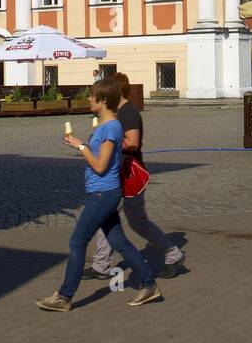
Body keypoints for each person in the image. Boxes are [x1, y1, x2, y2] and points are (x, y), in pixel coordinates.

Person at [36, 77, 162, 312]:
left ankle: (64, 296)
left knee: (77, 241)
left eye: (92, 95)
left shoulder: (111, 127)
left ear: (103, 100)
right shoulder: (106, 126)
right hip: (103, 192)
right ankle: (149, 284)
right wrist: (83, 144)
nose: (89, 99)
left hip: (103, 194)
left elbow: (101, 166)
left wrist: (80, 146)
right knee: (119, 241)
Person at [84, 72, 185, 281]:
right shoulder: (117, 112)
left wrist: (108, 143)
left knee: (137, 221)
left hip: (129, 173)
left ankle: (172, 254)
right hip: (118, 171)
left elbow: (133, 142)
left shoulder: (128, 112)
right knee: (108, 217)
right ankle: (101, 264)